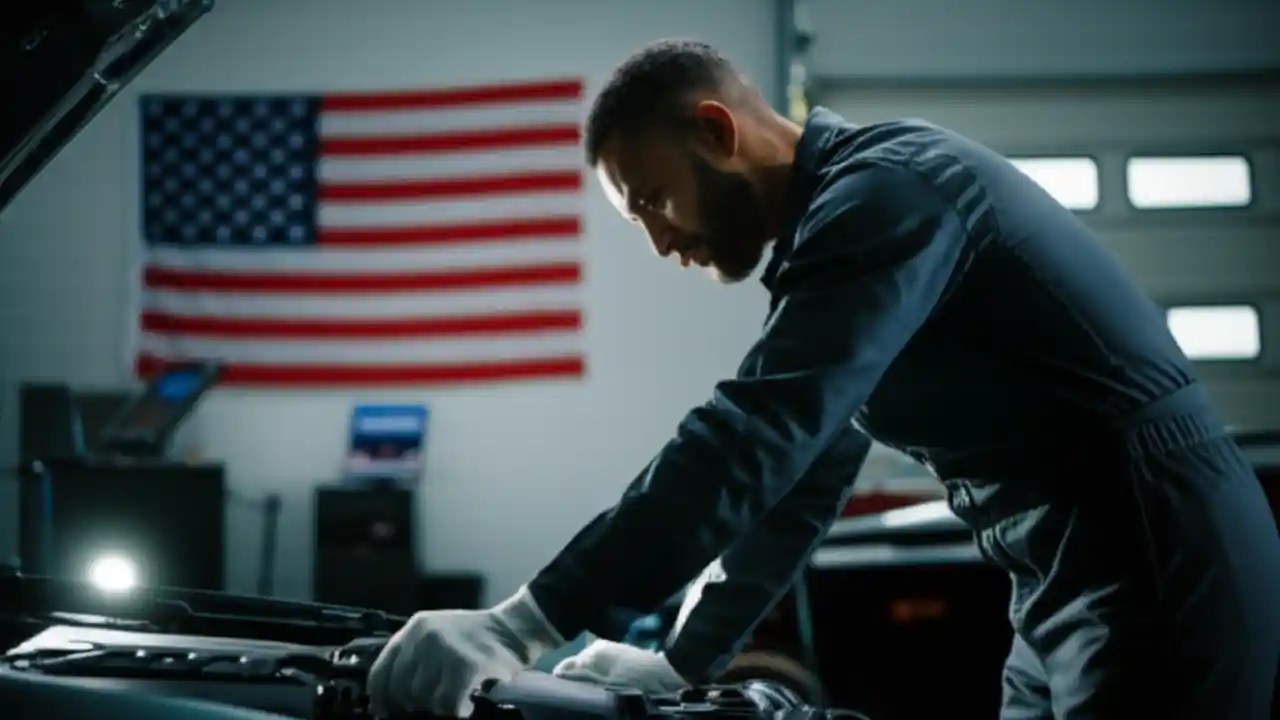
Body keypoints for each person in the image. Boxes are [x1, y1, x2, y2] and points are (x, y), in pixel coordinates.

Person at [367, 39, 1280, 719]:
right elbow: (801, 478)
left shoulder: (890, 194)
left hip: (1152, 556)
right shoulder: (835, 239)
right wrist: (687, 659)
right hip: (1056, 575)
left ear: (716, 132)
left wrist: (524, 623)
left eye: (652, 202)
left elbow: (753, 437)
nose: (660, 242)